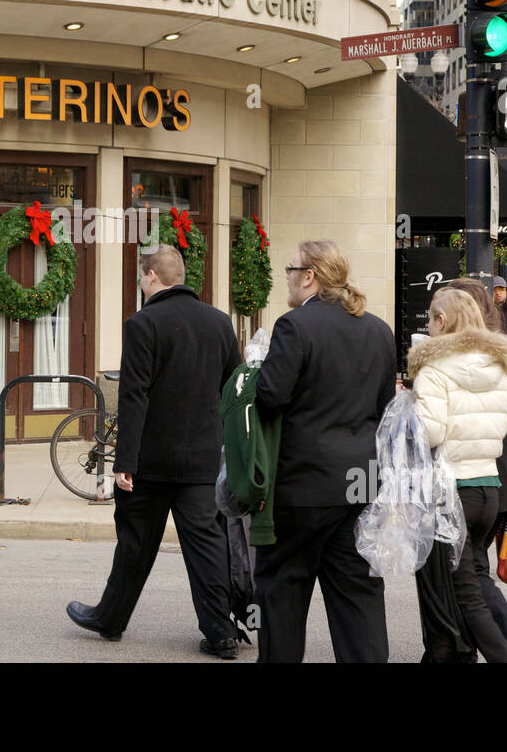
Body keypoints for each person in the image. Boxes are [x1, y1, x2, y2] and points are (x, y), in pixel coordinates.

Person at [67, 244, 243, 658]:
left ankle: (110, 619)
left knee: (135, 542)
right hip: (202, 457)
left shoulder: (143, 324)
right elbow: (233, 389)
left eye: (141, 276)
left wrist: (123, 460)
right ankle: (221, 632)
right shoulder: (220, 323)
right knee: (205, 545)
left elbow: (134, 395)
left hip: (151, 460)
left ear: (150, 276)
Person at [253, 240, 396, 663]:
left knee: (282, 591)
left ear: (310, 276)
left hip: (303, 486)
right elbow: (384, 408)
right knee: (358, 594)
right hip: (361, 483)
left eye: (291, 270)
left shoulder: (294, 326)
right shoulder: (378, 330)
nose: (289, 279)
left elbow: (271, 398)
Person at [408, 288, 507, 664]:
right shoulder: (500, 365)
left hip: (451, 491)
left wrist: (409, 409)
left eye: (430, 318)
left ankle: (504, 657)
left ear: (442, 322)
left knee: (464, 597)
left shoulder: (435, 368)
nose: (428, 324)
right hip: (488, 487)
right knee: (470, 584)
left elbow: (432, 433)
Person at [447, 278, 507, 662]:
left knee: (468, 575)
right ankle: (461, 647)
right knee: (469, 571)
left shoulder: (464, 356)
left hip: (472, 477)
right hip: (503, 478)